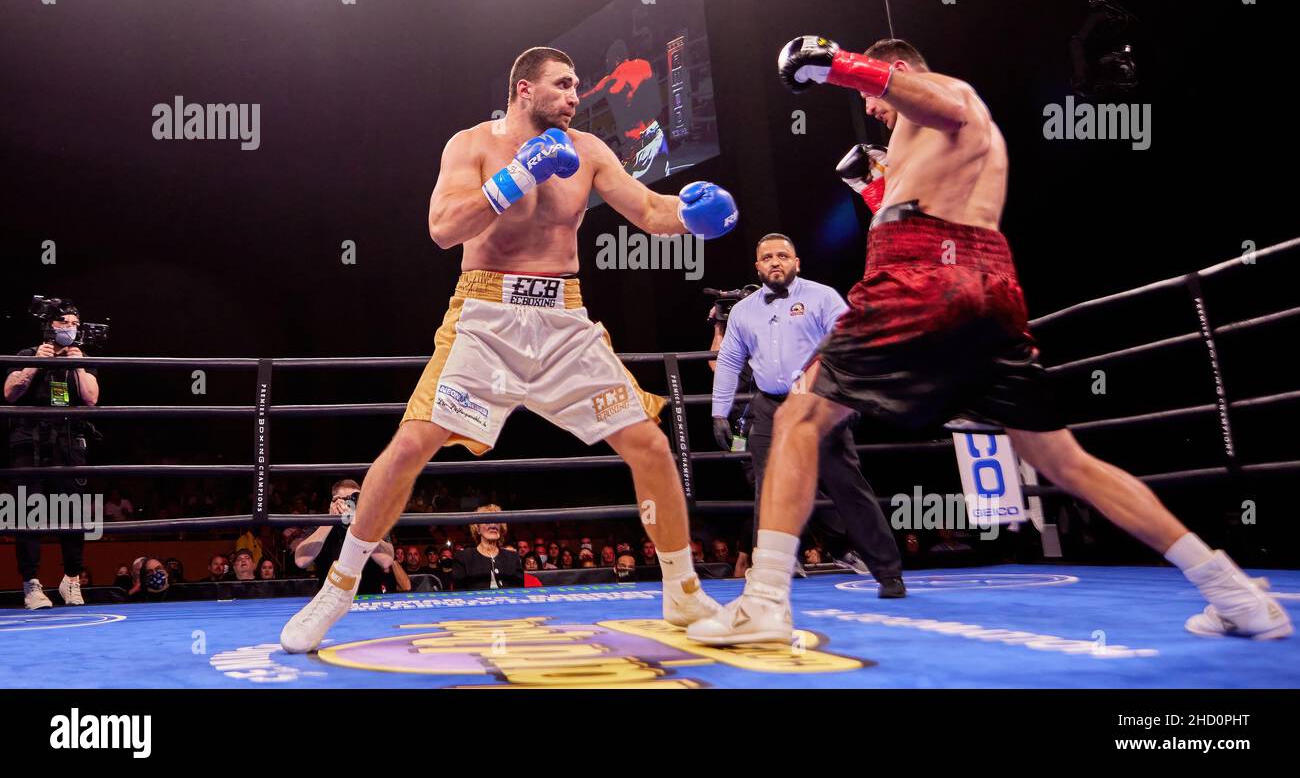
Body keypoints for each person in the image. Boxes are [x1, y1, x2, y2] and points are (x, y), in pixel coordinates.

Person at [688, 35, 1292, 644]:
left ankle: (763, 601)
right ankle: (1229, 589)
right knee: (1062, 461)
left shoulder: (950, 94)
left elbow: (942, 118)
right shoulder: (943, 139)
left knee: (797, 420)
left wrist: (840, 67)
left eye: (878, 91)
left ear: (897, 70)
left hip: (919, 276)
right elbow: (938, 201)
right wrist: (873, 190)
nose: (873, 106)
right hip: (989, 286)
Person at [282, 46, 738, 652]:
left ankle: (682, 592)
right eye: (564, 84)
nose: (576, 95)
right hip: (484, 316)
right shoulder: (470, 144)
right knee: (412, 443)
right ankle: (337, 590)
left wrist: (691, 216)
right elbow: (444, 228)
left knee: (649, 442)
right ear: (524, 89)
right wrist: (516, 177)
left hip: (565, 319)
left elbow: (649, 210)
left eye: (577, 86)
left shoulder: (591, 151)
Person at [711, 232, 906, 597]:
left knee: (846, 485)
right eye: (767, 257)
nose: (775, 262)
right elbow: (729, 360)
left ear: (796, 262)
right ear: (757, 266)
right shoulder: (743, 311)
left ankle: (888, 571)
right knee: (768, 492)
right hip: (768, 407)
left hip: (818, 403)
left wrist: (843, 396)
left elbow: (848, 340)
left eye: (783, 255)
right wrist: (719, 411)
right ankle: (770, 576)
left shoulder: (822, 296)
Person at [3, 300, 99, 609]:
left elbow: (91, 399)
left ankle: (71, 579)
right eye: (63, 322)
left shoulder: (80, 360)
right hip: (28, 443)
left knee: (73, 513)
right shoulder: (26, 355)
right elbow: (9, 393)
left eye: (74, 322)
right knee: (28, 514)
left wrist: (79, 365)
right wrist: (34, 365)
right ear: (49, 326)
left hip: (68, 443)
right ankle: (32, 584)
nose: (69, 327)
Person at [292, 479, 401, 596]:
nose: (351, 505)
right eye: (346, 500)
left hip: (368, 598)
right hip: (331, 600)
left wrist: (360, 526)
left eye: (355, 499)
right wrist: (330, 520)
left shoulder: (373, 523)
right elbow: (301, 561)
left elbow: (386, 561)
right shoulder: (321, 524)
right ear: (334, 501)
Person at [452, 505, 524, 590]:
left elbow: (519, 591)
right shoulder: (463, 557)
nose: (493, 525)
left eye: (497, 522)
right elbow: (460, 593)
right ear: (478, 529)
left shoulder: (512, 556)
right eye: (487, 521)